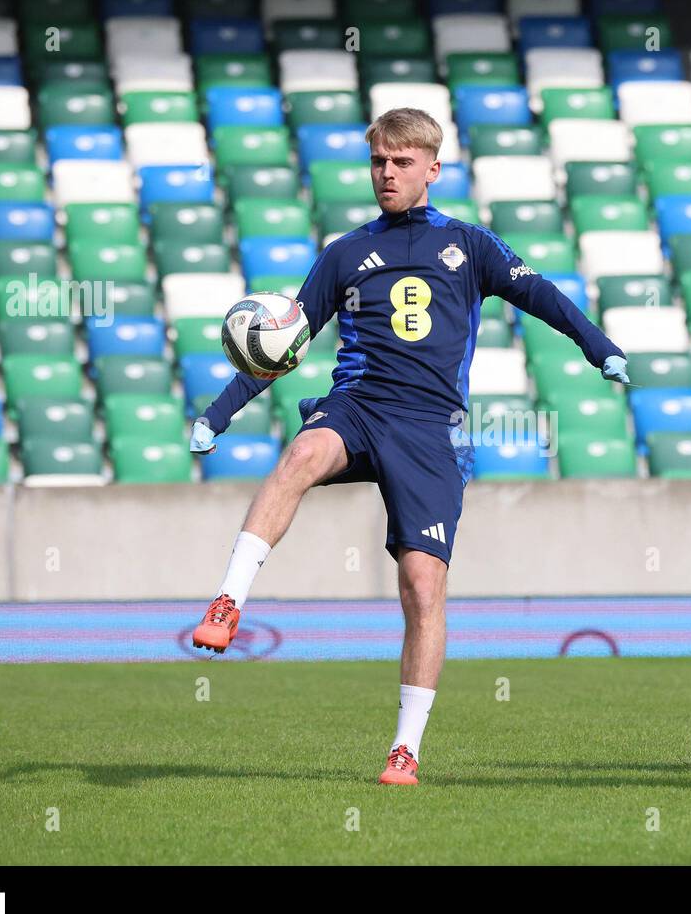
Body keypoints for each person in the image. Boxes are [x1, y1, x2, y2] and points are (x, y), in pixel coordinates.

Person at [187, 108, 630, 786]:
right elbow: (285, 344)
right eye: (378, 162)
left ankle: (405, 748)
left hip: (430, 428)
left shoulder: (470, 245)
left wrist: (599, 347)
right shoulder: (344, 253)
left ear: (432, 168)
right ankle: (227, 600)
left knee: (422, 585)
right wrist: (219, 412)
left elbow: (541, 295)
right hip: (358, 404)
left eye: (400, 162)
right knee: (299, 458)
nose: (387, 174)